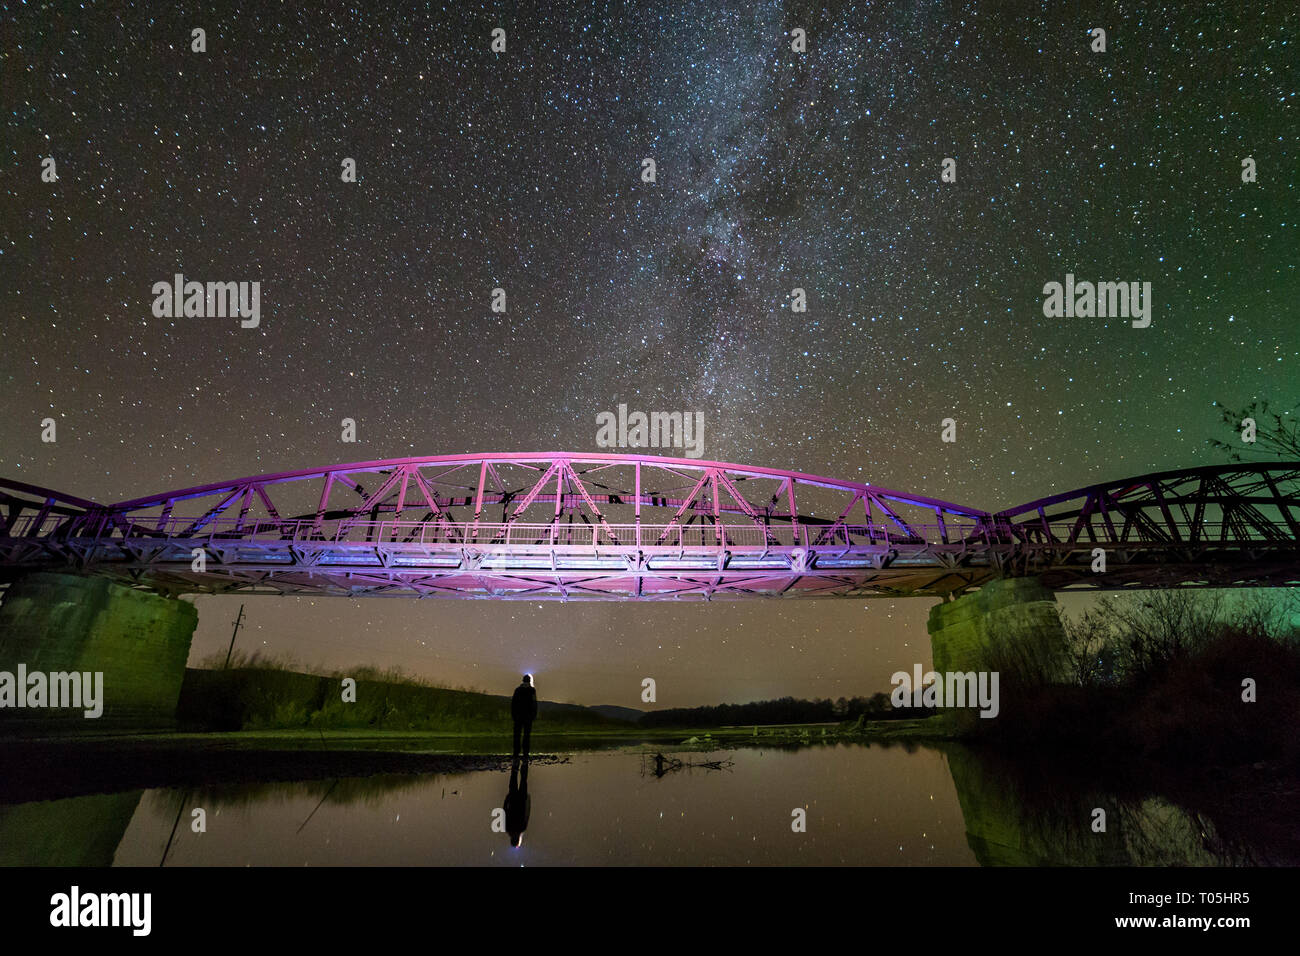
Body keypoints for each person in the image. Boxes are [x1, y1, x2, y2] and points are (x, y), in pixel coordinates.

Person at [511, 674, 537, 758]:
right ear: (529, 681)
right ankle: (525, 753)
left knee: (517, 735)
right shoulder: (532, 690)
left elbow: (513, 703)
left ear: (523, 680)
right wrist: (534, 715)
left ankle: (516, 752)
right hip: (528, 717)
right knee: (526, 735)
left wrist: (513, 715)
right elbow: (534, 703)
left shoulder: (517, 690)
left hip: (518, 716)